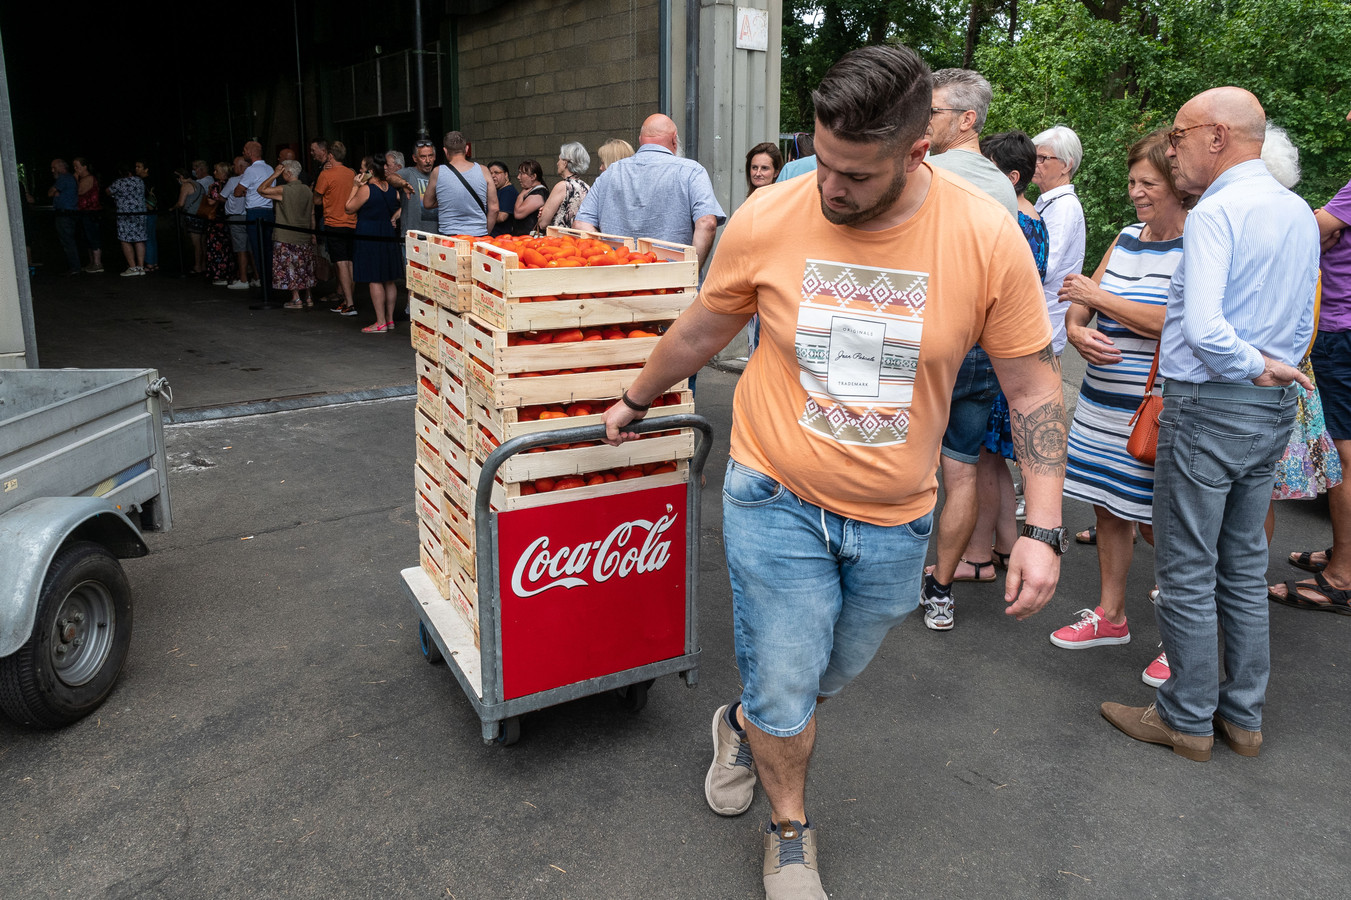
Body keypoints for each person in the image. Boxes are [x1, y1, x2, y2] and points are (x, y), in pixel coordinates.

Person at [601, 46, 1067, 898]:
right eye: (821, 161)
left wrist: (1041, 526)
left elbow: (1033, 386)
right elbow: (703, 326)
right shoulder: (770, 214)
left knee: (826, 674)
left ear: (917, 152)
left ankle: (741, 723)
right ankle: (789, 832)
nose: (829, 187)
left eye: (854, 174)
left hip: (897, 515)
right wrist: (635, 398)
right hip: (772, 493)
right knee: (787, 684)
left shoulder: (983, 233)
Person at [1100, 87, 1319, 762]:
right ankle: (1242, 718)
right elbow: (1300, 318)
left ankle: (1186, 718)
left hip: (1211, 405)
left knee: (1188, 567)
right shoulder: (1295, 211)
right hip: (1267, 408)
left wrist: (1252, 365)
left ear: (1217, 136)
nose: (1172, 150)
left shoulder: (1218, 211)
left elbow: (1201, 327)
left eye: (1178, 135)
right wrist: (1271, 368)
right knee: (1244, 565)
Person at [1049, 131, 1187, 685]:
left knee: (1165, 524)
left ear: (1177, 184)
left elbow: (1179, 322)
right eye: (1132, 182)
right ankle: (1111, 616)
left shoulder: (1198, 242)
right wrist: (1076, 331)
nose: (1135, 192)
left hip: (1152, 409)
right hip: (1103, 402)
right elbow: (1079, 304)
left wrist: (1096, 299)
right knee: (1108, 507)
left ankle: (1183, 639)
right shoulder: (1127, 237)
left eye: (1147, 182)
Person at [916, 67, 1023, 632]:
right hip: (982, 347)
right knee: (961, 471)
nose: (922, 120)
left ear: (966, 119)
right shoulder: (1003, 186)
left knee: (902, 463)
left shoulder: (928, 172)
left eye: (930, 111)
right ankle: (941, 590)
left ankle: (879, 577)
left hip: (926, 342)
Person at [959, 130, 1050, 590]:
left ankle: (976, 555)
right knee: (991, 459)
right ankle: (1006, 544)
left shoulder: (1010, 221)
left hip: (998, 357)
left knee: (983, 460)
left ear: (1011, 177)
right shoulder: (1034, 219)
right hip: (1010, 353)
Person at [1269, 106, 1351, 614]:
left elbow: (1309, 229)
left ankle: (1343, 578)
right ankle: (1342, 552)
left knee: (1344, 454)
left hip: (1341, 328)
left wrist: (1317, 223)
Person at [574, 114, 725, 270]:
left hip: (618, 278)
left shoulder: (610, 172)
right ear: (674, 140)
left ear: (641, 140)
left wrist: (609, 258)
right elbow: (707, 223)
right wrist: (690, 272)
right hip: (672, 279)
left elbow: (580, 224)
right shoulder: (691, 171)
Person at [1031, 125, 1087, 354]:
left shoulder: (1063, 206)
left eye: (1043, 158)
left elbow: (1045, 267)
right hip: (1040, 323)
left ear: (1066, 165)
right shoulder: (1050, 202)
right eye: (1033, 156)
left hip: (1044, 326)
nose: (1035, 163)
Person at [348, 155, 402, 333]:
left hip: (369, 233)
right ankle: (390, 320)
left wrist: (355, 186)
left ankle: (380, 322)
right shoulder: (390, 188)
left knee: (375, 278)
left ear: (370, 171)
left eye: (362, 169)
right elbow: (403, 201)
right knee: (389, 279)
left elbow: (348, 208)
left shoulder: (366, 189)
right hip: (387, 232)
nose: (360, 172)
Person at [257, 160, 316, 309]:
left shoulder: (284, 190)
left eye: (283, 173)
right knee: (305, 267)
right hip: (305, 234)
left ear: (288, 173)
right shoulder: (307, 190)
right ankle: (308, 297)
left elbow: (261, 190)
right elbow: (312, 214)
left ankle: (296, 299)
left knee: (291, 268)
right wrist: (313, 233)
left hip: (287, 235)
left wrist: (274, 174)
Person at [311, 138, 359, 315]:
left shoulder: (326, 175)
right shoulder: (351, 173)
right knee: (350, 262)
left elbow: (316, 199)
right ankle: (347, 300)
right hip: (352, 222)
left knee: (341, 263)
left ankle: (350, 304)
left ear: (330, 155)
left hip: (334, 223)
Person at [423, 130, 497, 238]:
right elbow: (494, 208)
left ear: (445, 151)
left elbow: (427, 203)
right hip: (478, 236)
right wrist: (485, 233)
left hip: (450, 237)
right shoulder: (484, 170)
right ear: (466, 149)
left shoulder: (437, 172)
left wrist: (447, 200)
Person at [235, 140, 275, 289]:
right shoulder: (270, 168)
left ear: (250, 153)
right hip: (269, 211)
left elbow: (237, 191)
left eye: (245, 150)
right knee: (268, 249)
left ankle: (264, 284)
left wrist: (246, 191)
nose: (243, 153)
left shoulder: (251, 170)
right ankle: (270, 281)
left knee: (258, 250)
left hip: (254, 212)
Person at [537, 142, 591, 231]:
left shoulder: (562, 186)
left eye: (559, 159)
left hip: (561, 238)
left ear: (565, 163)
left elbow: (543, 223)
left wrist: (542, 215)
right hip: (579, 238)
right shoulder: (587, 187)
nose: (557, 163)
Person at [106, 163, 148, 276]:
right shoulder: (139, 181)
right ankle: (141, 267)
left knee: (125, 240)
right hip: (140, 214)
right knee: (140, 239)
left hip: (125, 215)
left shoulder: (119, 182)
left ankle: (132, 267)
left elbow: (108, 191)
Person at [221, 158, 252, 290]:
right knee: (252, 248)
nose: (233, 167)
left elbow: (222, 196)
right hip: (250, 216)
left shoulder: (234, 181)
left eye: (234, 164)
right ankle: (257, 277)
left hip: (237, 217)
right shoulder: (254, 179)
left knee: (241, 249)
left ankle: (243, 279)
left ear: (240, 166)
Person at [48, 159, 81, 275]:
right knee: (69, 240)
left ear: (61, 167)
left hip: (65, 214)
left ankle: (75, 267)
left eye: (54, 168)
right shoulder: (69, 178)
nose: (52, 171)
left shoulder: (63, 178)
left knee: (67, 241)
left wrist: (55, 192)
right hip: (69, 213)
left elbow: (50, 193)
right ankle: (74, 266)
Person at [203, 163, 234, 285]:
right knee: (228, 248)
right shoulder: (232, 183)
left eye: (216, 171)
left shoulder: (216, 186)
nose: (214, 173)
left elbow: (211, 202)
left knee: (216, 248)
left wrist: (210, 192)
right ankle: (229, 273)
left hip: (216, 221)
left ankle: (218, 274)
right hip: (227, 218)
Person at [72, 157, 103, 273]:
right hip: (83, 212)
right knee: (87, 238)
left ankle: (97, 263)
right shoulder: (82, 178)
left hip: (90, 212)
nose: (75, 169)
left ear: (84, 167)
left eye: (77, 166)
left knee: (93, 236)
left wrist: (75, 180)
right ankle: (92, 262)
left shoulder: (89, 178)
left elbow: (79, 191)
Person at [510, 160, 548, 236]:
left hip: (529, 239)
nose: (518, 177)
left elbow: (518, 213)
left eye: (521, 173)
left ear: (533, 177)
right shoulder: (532, 191)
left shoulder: (538, 193)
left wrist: (520, 195)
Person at [134, 160, 158, 273]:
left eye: (139, 167)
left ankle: (149, 263)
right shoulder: (152, 180)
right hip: (152, 212)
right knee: (152, 238)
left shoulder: (143, 182)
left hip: (147, 212)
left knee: (147, 238)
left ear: (146, 169)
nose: (136, 169)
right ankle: (154, 262)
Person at [486, 160, 518, 236]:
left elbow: (502, 217)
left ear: (506, 175)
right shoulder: (498, 190)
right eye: (490, 174)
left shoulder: (508, 191)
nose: (493, 176)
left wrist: (480, 218)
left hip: (501, 237)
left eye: (496, 173)